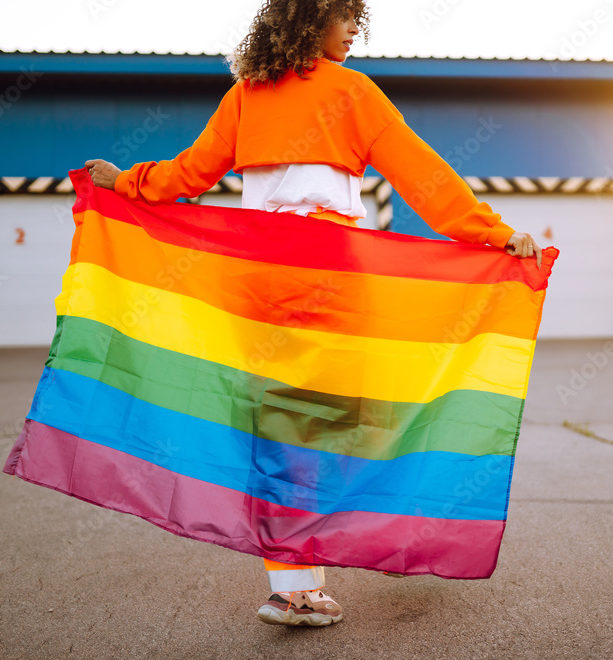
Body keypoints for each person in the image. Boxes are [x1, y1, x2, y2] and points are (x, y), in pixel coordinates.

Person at [84, 0, 544, 628]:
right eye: (346, 15)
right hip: (328, 270)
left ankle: (293, 585)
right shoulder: (353, 92)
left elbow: (186, 175)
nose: (355, 28)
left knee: (281, 424)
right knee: (346, 421)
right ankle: (377, 543)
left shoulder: (247, 94)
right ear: (310, 17)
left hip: (260, 273)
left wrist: (124, 183)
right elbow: (424, 179)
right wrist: (493, 233)